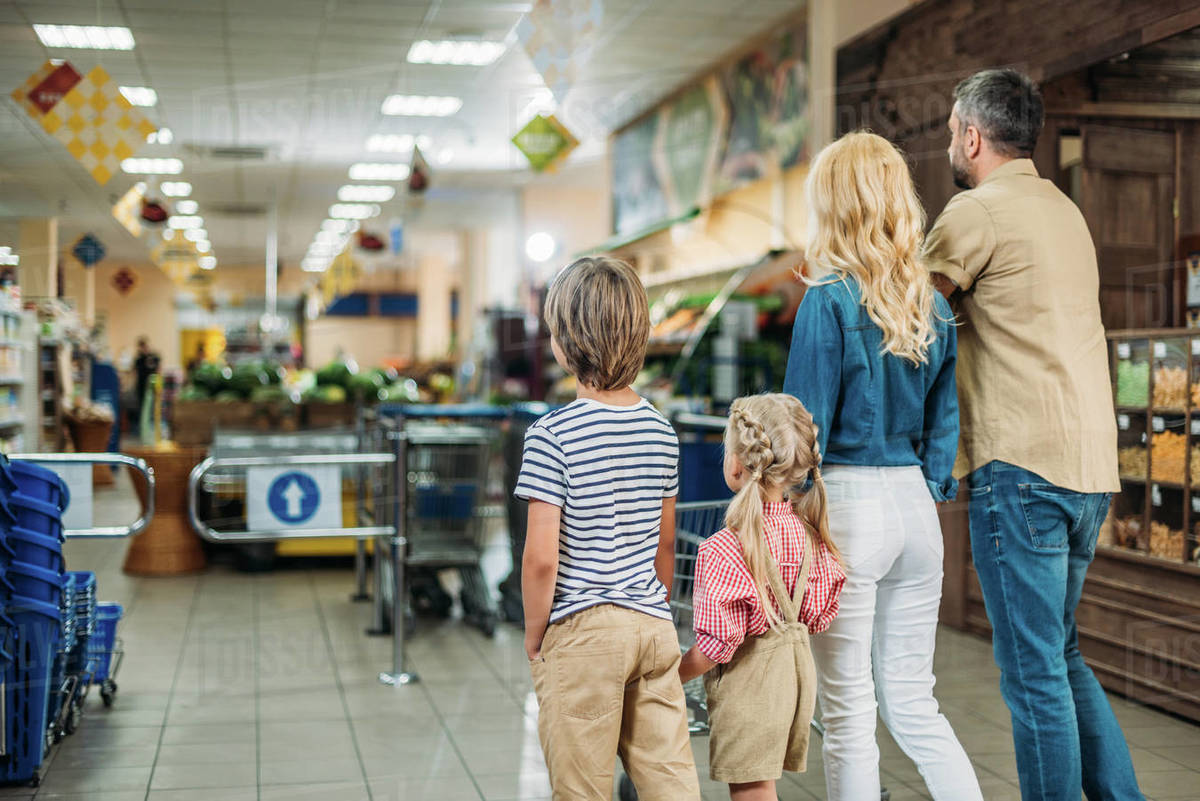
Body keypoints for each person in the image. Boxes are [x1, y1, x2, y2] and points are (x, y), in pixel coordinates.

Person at [925, 68, 1144, 801]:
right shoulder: (1064, 210)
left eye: (953, 128)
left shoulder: (975, 211)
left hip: (1021, 470)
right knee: (1061, 652)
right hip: (1089, 471)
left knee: (1032, 671)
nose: (951, 141)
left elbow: (909, 318)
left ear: (973, 135)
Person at [783, 131, 982, 801]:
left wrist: (787, 515)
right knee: (913, 700)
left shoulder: (827, 301)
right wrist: (920, 488)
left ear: (833, 206)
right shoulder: (932, 305)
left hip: (849, 508)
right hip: (916, 513)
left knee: (847, 713)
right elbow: (943, 426)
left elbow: (802, 437)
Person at [515, 256, 701, 801]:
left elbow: (541, 559)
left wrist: (535, 633)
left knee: (582, 788)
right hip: (651, 627)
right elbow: (665, 542)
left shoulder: (551, 435)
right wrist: (655, 605)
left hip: (582, 634)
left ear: (565, 343)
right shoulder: (661, 431)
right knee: (670, 781)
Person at [678, 393, 845, 801]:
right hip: (794, 682)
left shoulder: (725, 547)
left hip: (751, 689)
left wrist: (669, 678)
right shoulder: (808, 535)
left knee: (752, 789)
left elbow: (718, 645)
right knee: (763, 785)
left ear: (735, 463)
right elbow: (819, 616)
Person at [132, 336, 160, 424]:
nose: (144, 348)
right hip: (141, 386)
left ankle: (152, 425)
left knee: (153, 407)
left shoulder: (154, 357)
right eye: (142, 346)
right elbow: (135, 372)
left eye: (145, 346)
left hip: (153, 385)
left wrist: (158, 384)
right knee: (143, 408)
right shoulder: (138, 359)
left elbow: (159, 370)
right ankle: (144, 426)